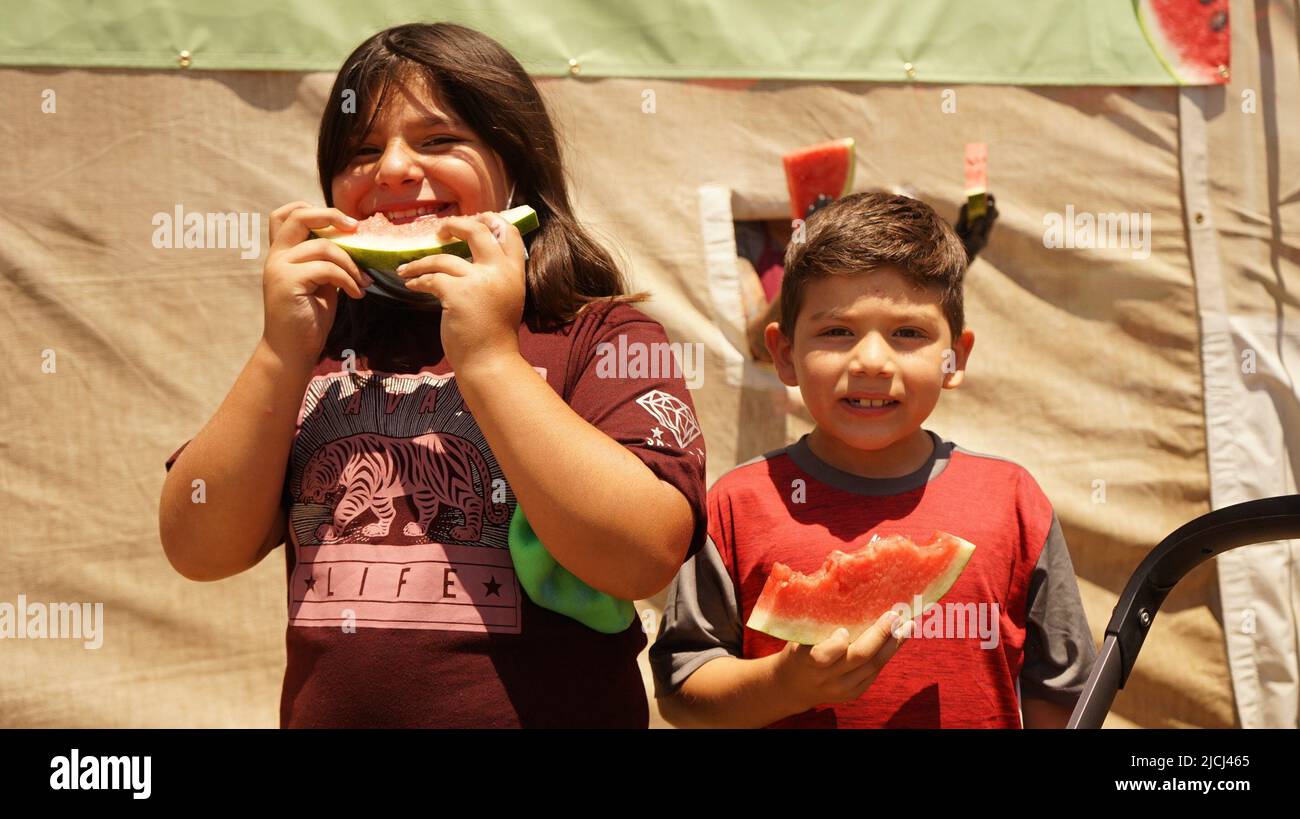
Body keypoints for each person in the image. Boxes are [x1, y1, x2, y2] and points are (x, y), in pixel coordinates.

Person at [158, 22, 707, 728]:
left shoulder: (604, 337)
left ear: (517, 162)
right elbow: (197, 547)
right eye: (361, 151)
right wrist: (279, 353)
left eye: (438, 141)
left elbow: (643, 557)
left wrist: (488, 358)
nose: (391, 169)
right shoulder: (315, 345)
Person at [651, 192, 1095, 728]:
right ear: (785, 355)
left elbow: (1063, 694)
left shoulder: (1012, 500)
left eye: (908, 333)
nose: (871, 361)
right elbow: (681, 690)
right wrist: (782, 686)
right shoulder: (739, 504)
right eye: (838, 332)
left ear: (956, 358)